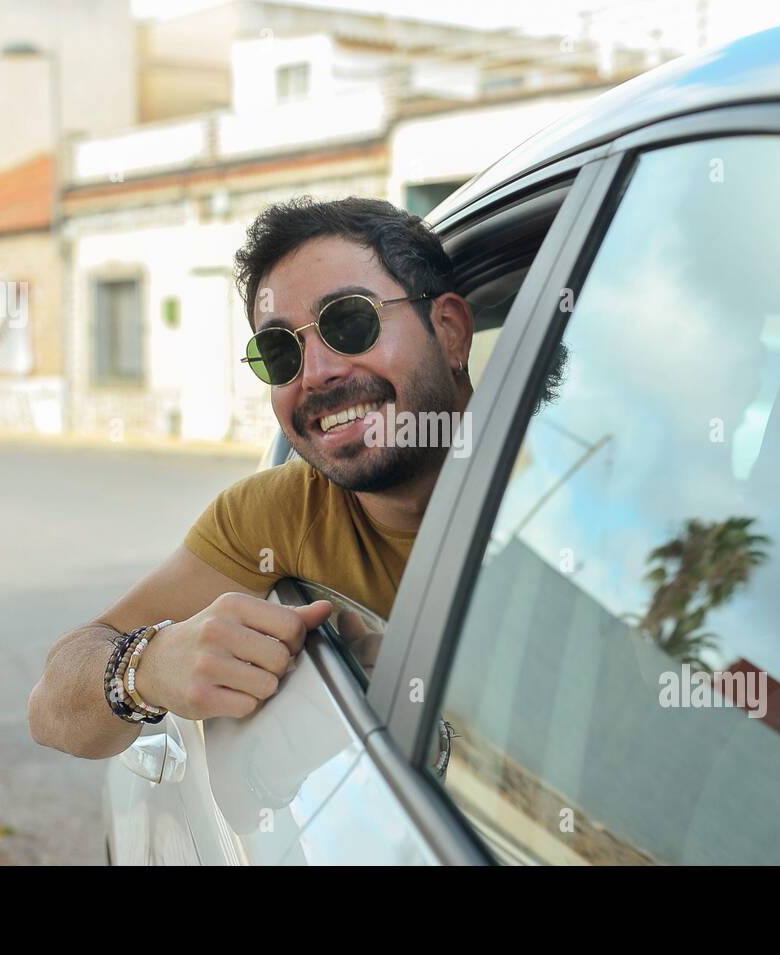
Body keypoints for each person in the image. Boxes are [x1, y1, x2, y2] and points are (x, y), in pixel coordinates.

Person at [28, 196, 475, 758]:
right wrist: (149, 667)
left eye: (351, 322)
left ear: (452, 331)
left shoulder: (571, 489)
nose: (316, 373)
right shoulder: (279, 512)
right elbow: (51, 707)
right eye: (279, 352)